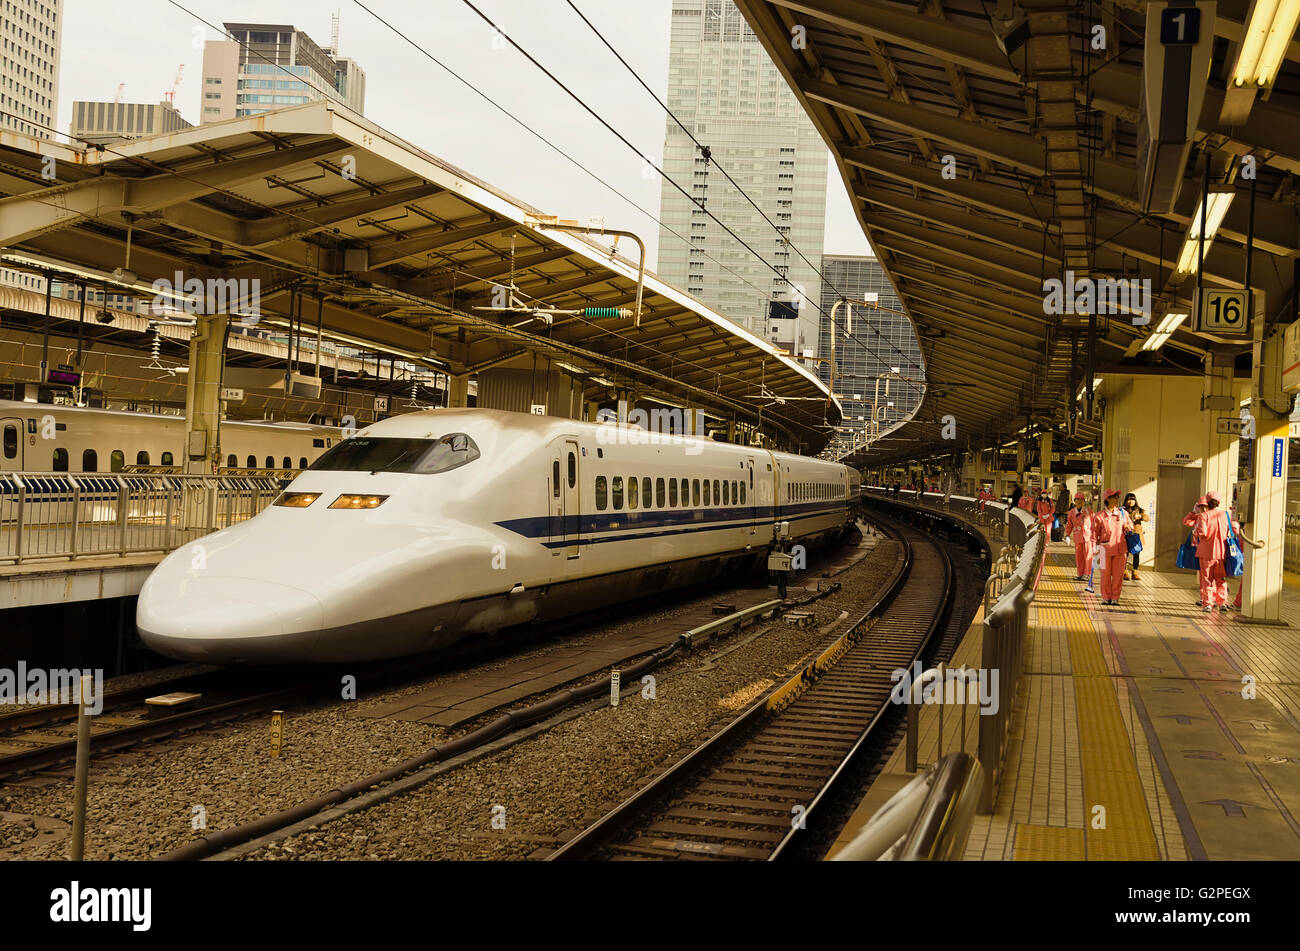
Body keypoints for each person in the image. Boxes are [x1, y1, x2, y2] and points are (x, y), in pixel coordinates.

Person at [1094, 488, 1133, 605]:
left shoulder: (1123, 513)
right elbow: (1094, 533)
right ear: (1107, 499)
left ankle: (1115, 597)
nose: (1116, 500)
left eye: (1117, 497)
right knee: (1105, 575)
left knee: (1118, 576)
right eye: (1113, 497)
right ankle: (1106, 597)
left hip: (1120, 549)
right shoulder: (1099, 516)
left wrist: (1128, 527)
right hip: (1104, 550)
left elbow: (1131, 525)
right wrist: (1095, 550)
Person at [1182, 497, 1208, 606]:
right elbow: (1186, 521)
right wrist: (1193, 512)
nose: (1203, 509)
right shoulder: (1198, 517)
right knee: (1202, 574)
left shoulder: (1210, 517)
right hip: (1199, 548)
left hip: (1208, 549)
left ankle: (1212, 598)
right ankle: (1204, 598)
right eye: (1201, 507)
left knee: (1209, 575)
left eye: (1205, 507)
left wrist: (1196, 533)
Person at [1065, 491, 1094, 580]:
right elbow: (1069, 524)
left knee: (1088, 556)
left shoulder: (1089, 511)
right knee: (1079, 557)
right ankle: (1080, 574)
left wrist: (1095, 536)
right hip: (1077, 537)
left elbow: (1094, 523)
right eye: (1077, 499)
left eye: (1081, 499)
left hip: (1087, 537)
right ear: (1074, 501)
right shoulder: (1071, 512)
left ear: (1084, 501)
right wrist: (1067, 535)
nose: (1079, 501)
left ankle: (1087, 574)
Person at [1122, 493, 1147, 581]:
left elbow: (1147, 518)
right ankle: (1124, 572)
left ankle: (1135, 572)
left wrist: (1140, 516)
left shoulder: (1139, 510)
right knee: (1125, 554)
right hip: (1125, 535)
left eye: (1132, 499)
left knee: (1136, 554)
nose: (1131, 501)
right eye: (1129, 499)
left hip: (1136, 535)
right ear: (1126, 500)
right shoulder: (1122, 510)